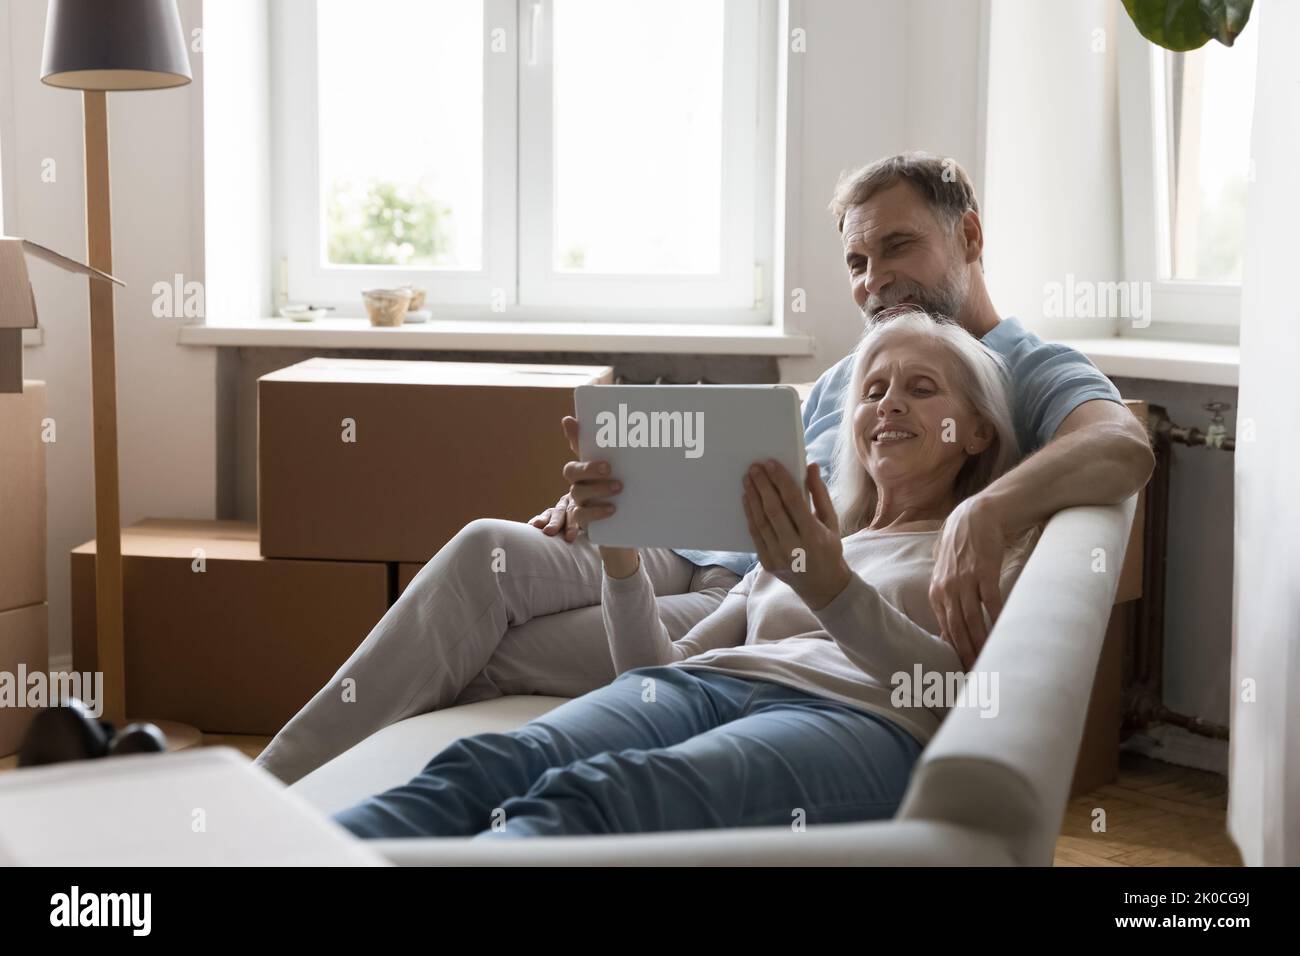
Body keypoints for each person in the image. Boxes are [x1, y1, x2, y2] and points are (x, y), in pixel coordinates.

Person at [253, 152, 1153, 787]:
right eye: (855, 260)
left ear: (969, 234)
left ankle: (345, 798)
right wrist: (610, 502)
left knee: (478, 648)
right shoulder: (855, 370)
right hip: (696, 553)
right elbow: (751, 459)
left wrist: (982, 513)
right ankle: (275, 786)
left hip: (760, 599)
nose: (872, 278)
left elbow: (1122, 446)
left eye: (897, 246)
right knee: (484, 552)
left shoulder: (1023, 362)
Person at [331, 309, 1034, 838]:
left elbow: (963, 694)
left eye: (920, 388)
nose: (888, 403)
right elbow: (650, 672)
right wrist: (621, 553)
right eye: (874, 389)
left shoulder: (986, 543)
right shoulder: (813, 538)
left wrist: (830, 586)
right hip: (709, 685)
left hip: (858, 718)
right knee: (487, 767)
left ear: (976, 431)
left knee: (611, 795)